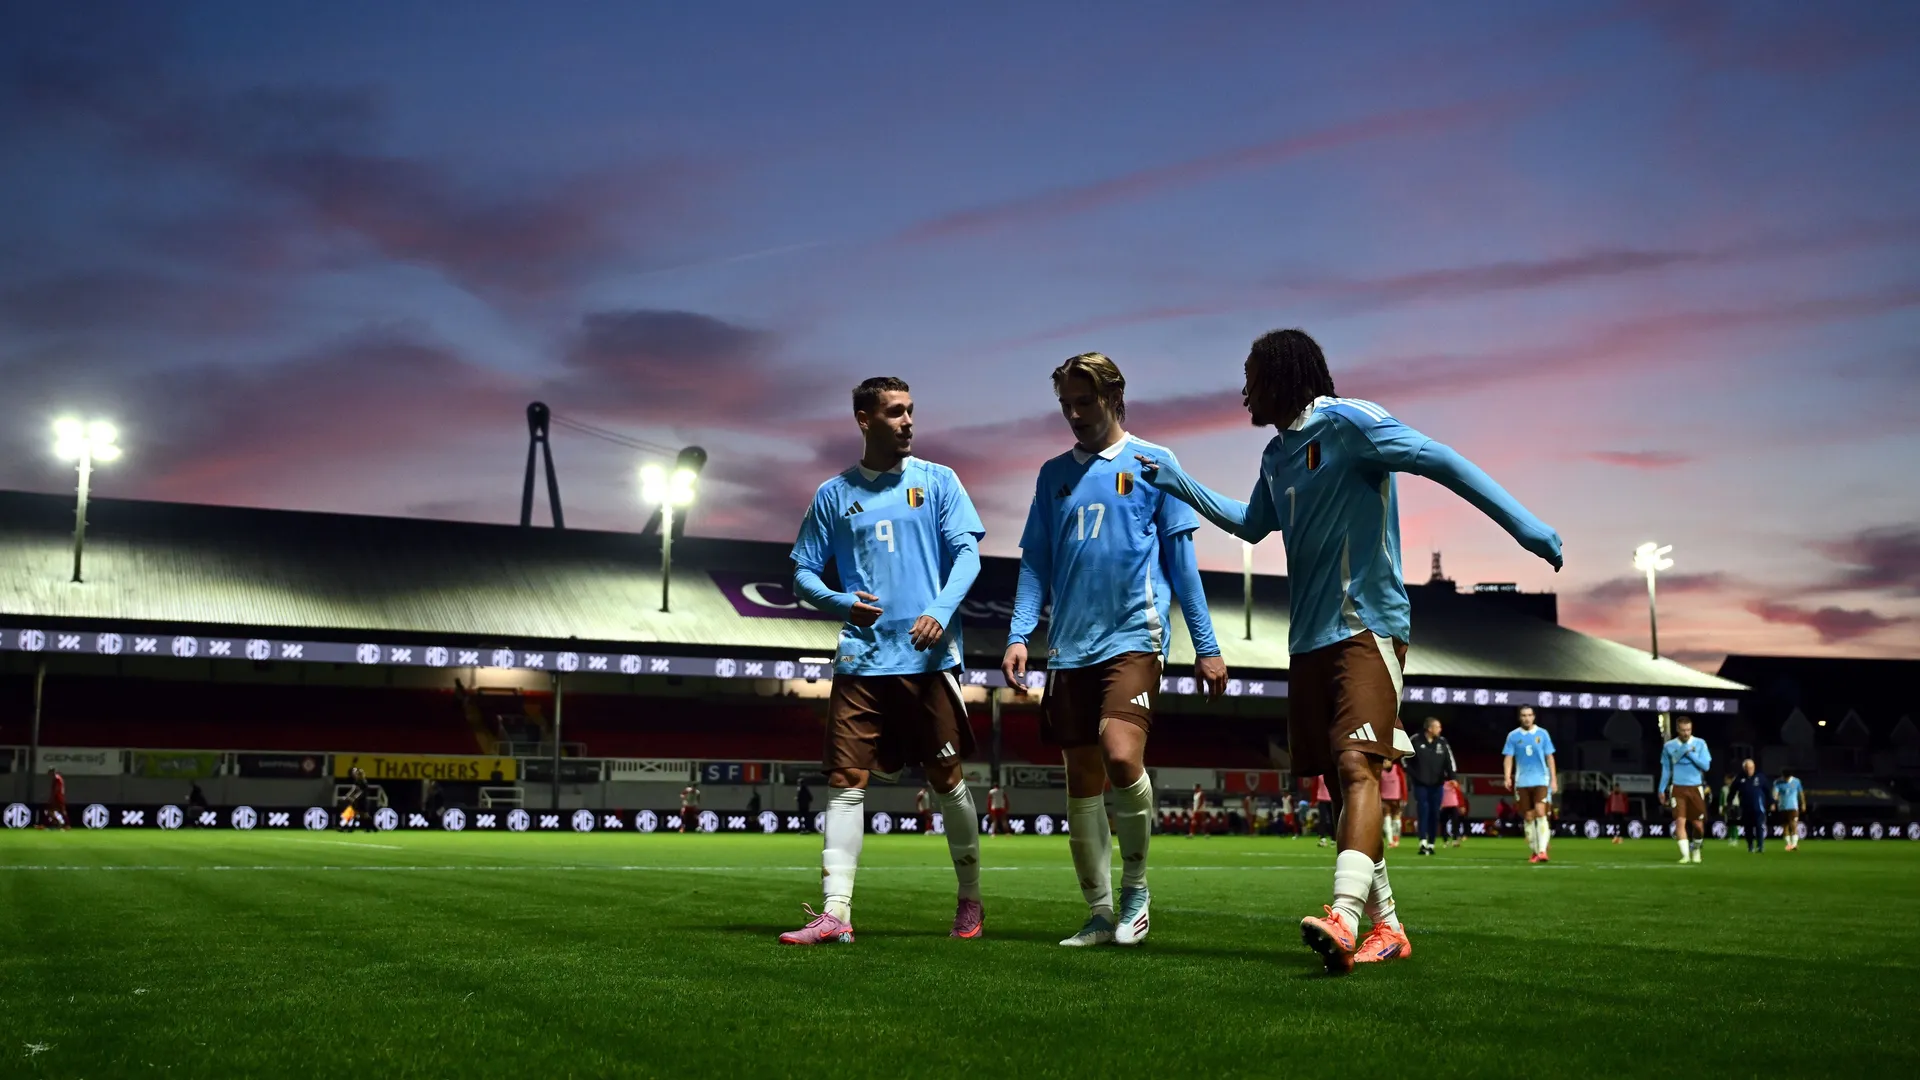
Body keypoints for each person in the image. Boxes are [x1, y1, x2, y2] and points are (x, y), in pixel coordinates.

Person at [1138, 328, 1560, 973]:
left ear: (1283, 375)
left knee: (1357, 763)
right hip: (1308, 640)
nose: (1243, 388)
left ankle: (1344, 913)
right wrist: (1177, 480)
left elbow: (1440, 459)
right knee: (1341, 785)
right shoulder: (1277, 456)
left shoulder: (1350, 424)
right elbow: (1252, 524)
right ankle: (1388, 927)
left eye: (1251, 374)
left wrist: (1524, 526)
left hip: (1368, 625)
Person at [1002, 352, 1227, 949]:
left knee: (1121, 754)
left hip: (1136, 635)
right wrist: (1020, 633)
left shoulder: (1156, 463)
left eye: (1085, 402)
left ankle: (1136, 891)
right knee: (1080, 777)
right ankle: (1100, 913)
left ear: (1114, 396)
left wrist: (1206, 646)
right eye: (1066, 405)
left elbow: (1182, 563)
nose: (1074, 415)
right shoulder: (1053, 475)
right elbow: (1035, 563)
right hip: (1070, 647)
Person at [779, 376, 988, 946]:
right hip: (861, 660)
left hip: (927, 659)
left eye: (911, 411)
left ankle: (970, 899)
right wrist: (841, 601)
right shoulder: (833, 495)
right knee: (846, 781)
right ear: (864, 420)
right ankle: (836, 913)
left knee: (947, 779)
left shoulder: (938, 482)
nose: (908, 422)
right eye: (895, 413)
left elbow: (969, 556)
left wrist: (940, 611)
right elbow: (801, 573)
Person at [1503, 706, 1558, 863]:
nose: (1526, 718)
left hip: (1541, 779)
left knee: (1540, 811)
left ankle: (1542, 851)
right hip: (1522, 781)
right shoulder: (1513, 736)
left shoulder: (1543, 734)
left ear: (1534, 717)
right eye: (1523, 715)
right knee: (1528, 816)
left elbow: (1550, 757)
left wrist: (1553, 779)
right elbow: (1508, 757)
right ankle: (1535, 850)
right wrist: (1507, 777)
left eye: (1529, 715)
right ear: (1520, 718)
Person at [1659, 715, 1713, 864]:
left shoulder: (1700, 743)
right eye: (1683, 730)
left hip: (1695, 787)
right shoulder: (1669, 746)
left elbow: (1706, 766)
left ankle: (1695, 849)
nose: (1686, 733)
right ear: (1678, 730)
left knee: (1698, 826)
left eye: (1688, 730)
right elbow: (1666, 769)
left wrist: (1689, 754)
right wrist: (1661, 789)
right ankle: (1685, 856)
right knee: (1680, 822)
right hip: (1677, 787)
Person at [1406, 717, 1455, 856]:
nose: (1440, 729)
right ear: (1429, 728)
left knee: (1435, 813)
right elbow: (1405, 759)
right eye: (1437, 727)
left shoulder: (1442, 742)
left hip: (1437, 785)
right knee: (1423, 812)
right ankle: (1422, 842)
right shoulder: (1415, 740)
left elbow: (1449, 761)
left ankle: (1432, 843)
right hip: (1420, 785)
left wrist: (1453, 778)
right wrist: (1415, 775)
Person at [1731, 759, 1772, 853]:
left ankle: (1760, 846)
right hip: (1745, 808)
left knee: (1759, 826)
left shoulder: (1760, 777)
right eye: (1747, 768)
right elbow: (1732, 791)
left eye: (1751, 768)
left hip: (1758, 808)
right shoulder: (1739, 778)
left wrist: (1771, 802)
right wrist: (1729, 802)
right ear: (1744, 769)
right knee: (1748, 827)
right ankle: (1750, 846)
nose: (1749, 770)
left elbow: (1767, 790)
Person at [1773, 769, 1805, 851]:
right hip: (1782, 807)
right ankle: (1789, 844)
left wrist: (1803, 803)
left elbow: (1800, 793)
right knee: (1785, 827)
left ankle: (1794, 844)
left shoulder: (1796, 781)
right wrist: (1773, 802)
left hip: (1793, 807)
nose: (1786, 779)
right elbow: (1775, 794)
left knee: (1793, 824)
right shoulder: (1778, 782)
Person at [1378, 759, 1406, 850]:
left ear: (1391, 762)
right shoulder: (1380, 771)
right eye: (1383, 762)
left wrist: (1404, 797)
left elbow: (1403, 784)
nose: (1384, 764)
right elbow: (1378, 785)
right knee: (1387, 821)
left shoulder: (1397, 769)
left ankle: (1396, 838)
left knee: (1397, 822)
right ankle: (1390, 842)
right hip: (1385, 799)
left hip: (1396, 799)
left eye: (1386, 762)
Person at [1440, 777, 1467, 847]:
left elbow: (1459, 794)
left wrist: (1462, 805)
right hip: (1444, 806)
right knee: (1443, 824)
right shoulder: (1440, 783)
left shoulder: (1454, 783)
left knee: (1455, 823)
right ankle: (1445, 841)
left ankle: (1455, 840)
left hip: (1453, 805)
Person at [1311, 775, 1334, 848]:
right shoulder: (1319, 775)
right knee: (1322, 819)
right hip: (1321, 799)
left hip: (1331, 799)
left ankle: (1334, 839)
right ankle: (1322, 838)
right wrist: (1314, 800)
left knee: (1333, 819)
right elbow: (1314, 787)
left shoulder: (1333, 773)